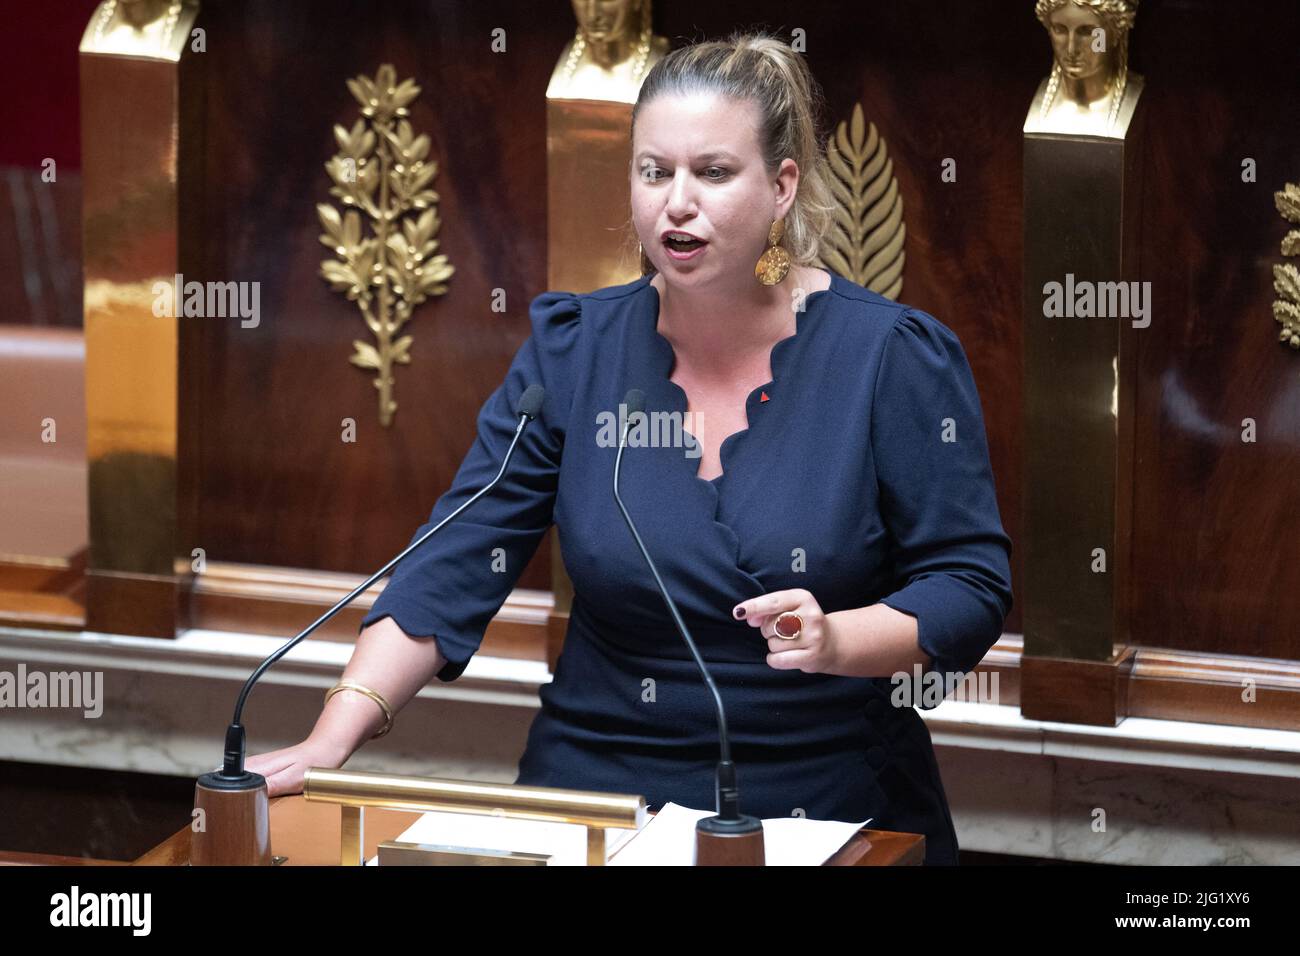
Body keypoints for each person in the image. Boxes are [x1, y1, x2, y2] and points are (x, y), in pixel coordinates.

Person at [246, 30, 1013, 866]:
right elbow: (459, 556)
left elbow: (968, 584)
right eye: (655, 172)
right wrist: (334, 735)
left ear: (782, 186)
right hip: (594, 791)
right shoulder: (576, 349)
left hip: (820, 795)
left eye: (713, 173)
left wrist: (838, 640)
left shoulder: (891, 358)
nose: (676, 203)